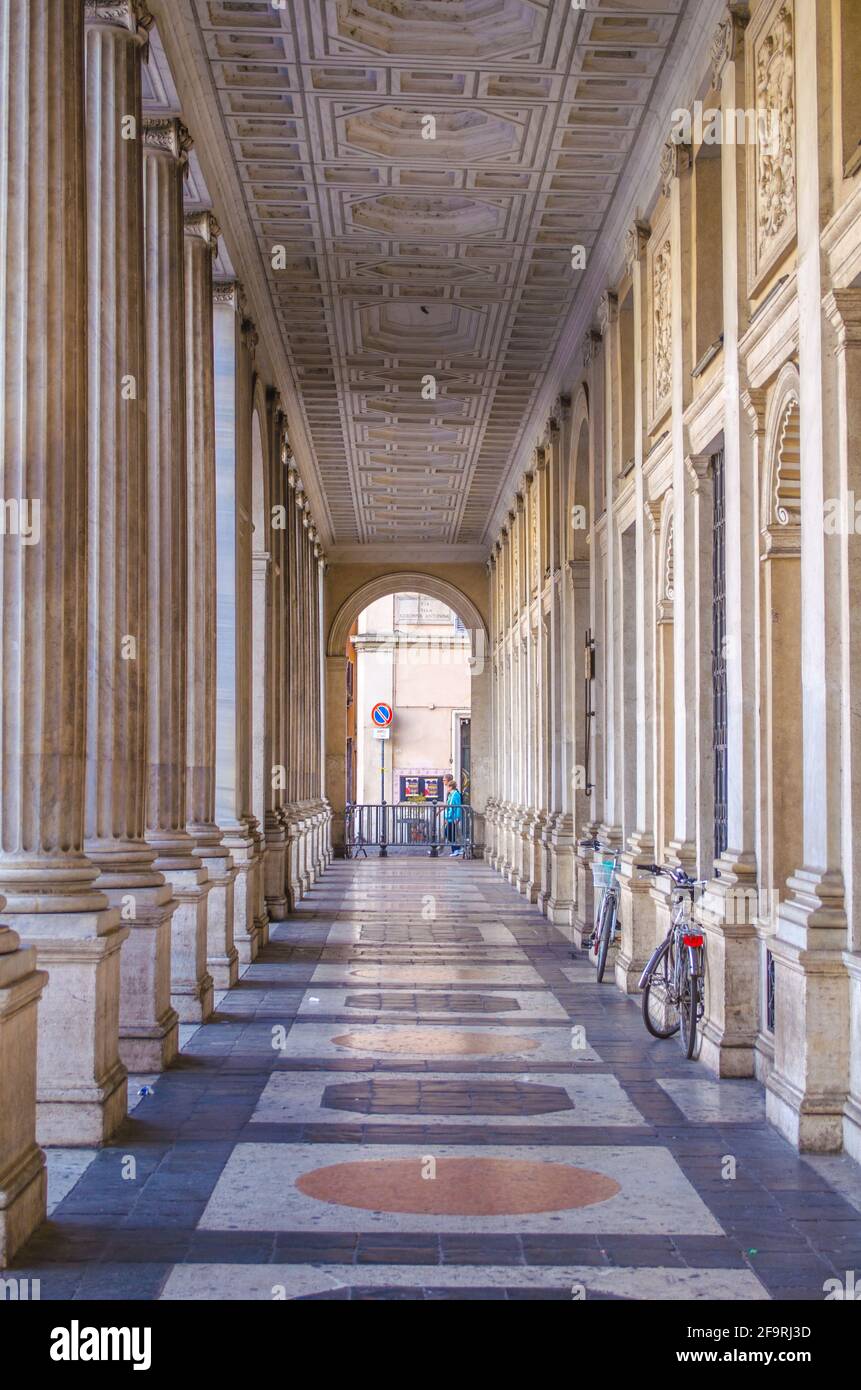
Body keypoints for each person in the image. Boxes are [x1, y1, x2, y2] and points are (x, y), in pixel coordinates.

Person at [443, 773, 463, 857]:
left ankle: (456, 849)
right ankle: (456, 849)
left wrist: (457, 817)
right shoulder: (451, 794)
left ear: (451, 787)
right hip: (449, 818)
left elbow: (457, 806)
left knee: (451, 833)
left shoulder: (456, 794)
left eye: (448, 787)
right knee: (448, 833)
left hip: (453, 818)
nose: (446, 788)